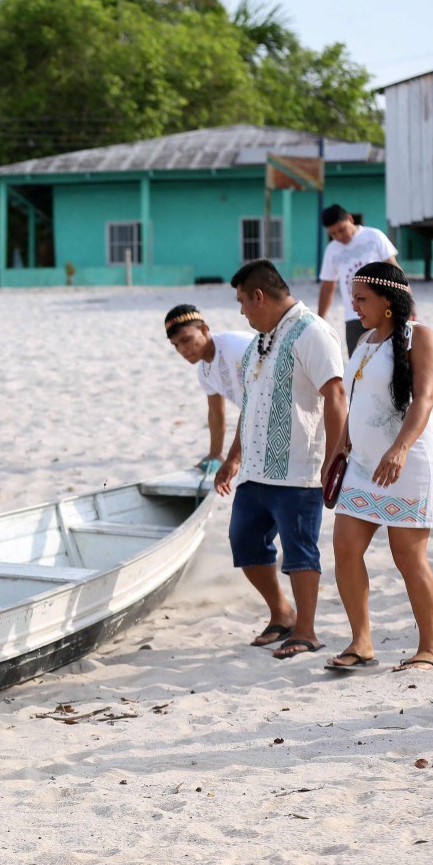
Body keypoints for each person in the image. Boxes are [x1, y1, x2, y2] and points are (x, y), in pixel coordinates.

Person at [214, 260, 347, 657]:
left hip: (299, 468)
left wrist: (334, 457)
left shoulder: (313, 332)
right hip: (255, 468)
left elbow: (336, 395)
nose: (241, 311)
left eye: (242, 302)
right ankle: (281, 613)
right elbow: (250, 405)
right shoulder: (259, 341)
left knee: (300, 550)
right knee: (245, 540)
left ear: (259, 295)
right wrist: (233, 457)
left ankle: (306, 631)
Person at [326, 263, 433, 673]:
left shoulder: (422, 336)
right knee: (344, 547)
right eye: (352, 297)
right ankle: (361, 643)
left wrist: (399, 448)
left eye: (361, 299)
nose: (354, 306)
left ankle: (430, 648)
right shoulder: (365, 341)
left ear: (388, 301)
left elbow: (424, 400)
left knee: (408, 557)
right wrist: (339, 447)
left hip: (408, 463)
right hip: (362, 466)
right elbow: (355, 400)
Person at [164, 304, 254, 471]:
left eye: (186, 340)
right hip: (259, 422)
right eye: (175, 345)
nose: (182, 349)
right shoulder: (204, 372)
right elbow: (216, 412)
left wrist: (234, 458)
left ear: (204, 329)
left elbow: (259, 397)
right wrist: (215, 453)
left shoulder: (236, 346)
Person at [318, 205, 399, 356]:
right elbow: (328, 288)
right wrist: (320, 320)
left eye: (341, 230)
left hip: (384, 311)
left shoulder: (374, 236)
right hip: (355, 317)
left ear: (350, 219)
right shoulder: (332, 250)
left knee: (390, 359)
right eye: (333, 233)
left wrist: (408, 301)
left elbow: (394, 269)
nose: (339, 236)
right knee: (358, 367)